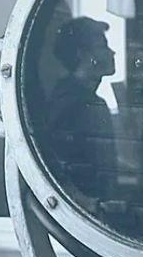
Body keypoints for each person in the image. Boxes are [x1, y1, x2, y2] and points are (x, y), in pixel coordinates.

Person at [35, 15, 123, 205]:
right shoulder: (70, 103)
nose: (112, 53)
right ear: (82, 54)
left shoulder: (89, 100)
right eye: (102, 46)